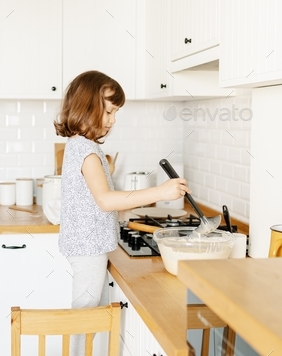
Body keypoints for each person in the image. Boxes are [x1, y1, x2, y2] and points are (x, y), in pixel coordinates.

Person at [53, 70, 190, 355]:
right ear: (88, 106)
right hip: (88, 248)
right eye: (109, 111)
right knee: (86, 315)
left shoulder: (81, 146)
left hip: (88, 246)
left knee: (93, 313)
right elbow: (105, 200)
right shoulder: (86, 151)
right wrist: (161, 192)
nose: (113, 120)